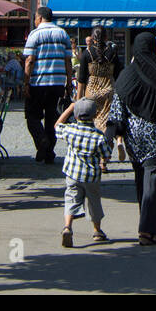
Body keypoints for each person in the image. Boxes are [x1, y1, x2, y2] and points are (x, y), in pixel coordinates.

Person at [105, 32, 156, 246]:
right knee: (154, 182)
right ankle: (148, 231)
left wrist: (116, 136)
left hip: (133, 140)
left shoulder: (126, 76)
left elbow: (116, 111)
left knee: (141, 180)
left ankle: (145, 222)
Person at [54, 98, 112, 247]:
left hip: (72, 173)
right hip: (91, 176)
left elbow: (57, 126)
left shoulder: (70, 130)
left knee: (71, 199)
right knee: (94, 202)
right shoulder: (98, 136)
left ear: (76, 115)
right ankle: (97, 231)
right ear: (95, 115)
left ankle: (67, 227)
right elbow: (106, 154)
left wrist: (68, 109)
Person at [22, 7, 73, 164]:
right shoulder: (63, 34)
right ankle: (49, 152)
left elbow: (30, 59)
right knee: (52, 118)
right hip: (57, 83)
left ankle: (41, 140)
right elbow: (68, 61)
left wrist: (26, 82)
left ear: (39, 18)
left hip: (38, 83)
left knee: (32, 116)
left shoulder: (35, 34)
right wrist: (69, 83)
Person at [77, 26, 123, 168]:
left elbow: (81, 79)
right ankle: (105, 159)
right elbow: (119, 74)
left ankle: (95, 158)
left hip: (91, 92)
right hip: (108, 90)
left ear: (92, 37)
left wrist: (79, 99)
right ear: (106, 38)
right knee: (107, 125)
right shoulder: (113, 53)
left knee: (93, 125)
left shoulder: (87, 53)